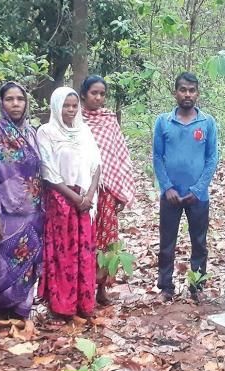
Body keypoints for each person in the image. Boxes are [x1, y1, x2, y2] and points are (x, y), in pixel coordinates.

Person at [152, 72, 219, 302]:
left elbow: (212, 158)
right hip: (170, 195)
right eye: (183, 90)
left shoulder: (207, 122)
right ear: (175, 93)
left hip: (197, 197)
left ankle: (197, 286)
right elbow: (157, 157)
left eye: (192, 90)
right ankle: (165, 287)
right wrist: (167, 187)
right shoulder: (163, 121)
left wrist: (199, 189)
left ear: (197, 93)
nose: (187, 94)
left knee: (199, 242)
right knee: (167, 242)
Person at [37, 87, 101, 320]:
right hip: (61, 200)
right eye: (66, 105)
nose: (71, 110)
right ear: (56, 106)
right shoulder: (46, 132)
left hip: (84, 200)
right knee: (62, 253)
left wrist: (89, 195)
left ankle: (82, 304)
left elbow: (96, 165)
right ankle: (61, 306)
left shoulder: (83, 131)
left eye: (74, 105)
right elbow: (48, 170)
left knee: (83, 252)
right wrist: (73, 198)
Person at [0, 82, 43, 320]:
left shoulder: (32, 132)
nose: (15, 104)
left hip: (33, 213)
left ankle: (21, 312)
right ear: (1, 102)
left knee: (28, 266)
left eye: (20, 99)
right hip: (5, 214)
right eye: (10, 99)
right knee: (2, 265)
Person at [80, 75, 135, 305]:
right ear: (83, 94)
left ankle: (101, 289)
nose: (98, 97)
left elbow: (119, 155)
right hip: (82, 191)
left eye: (102, 94)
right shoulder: (75, 120)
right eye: (94, 93)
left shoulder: (109, 120)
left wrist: (120, 190)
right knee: (85, 239)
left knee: (107, 239)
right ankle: (82, 289)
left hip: (107, 191)